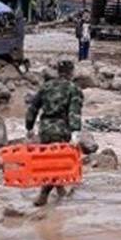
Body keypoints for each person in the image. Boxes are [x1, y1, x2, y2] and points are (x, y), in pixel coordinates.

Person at [25, 60, 84, 207]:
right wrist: (75, 131)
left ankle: (60, 189)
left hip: (45, 129)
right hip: (62, 129)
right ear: (71, 72)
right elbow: (74, 112)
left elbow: (33, 107)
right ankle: (43, 194)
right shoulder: (73, 89)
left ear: (58, 71)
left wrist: (29, 127)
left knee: (49, 161)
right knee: (57, 163)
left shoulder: (46, 86)